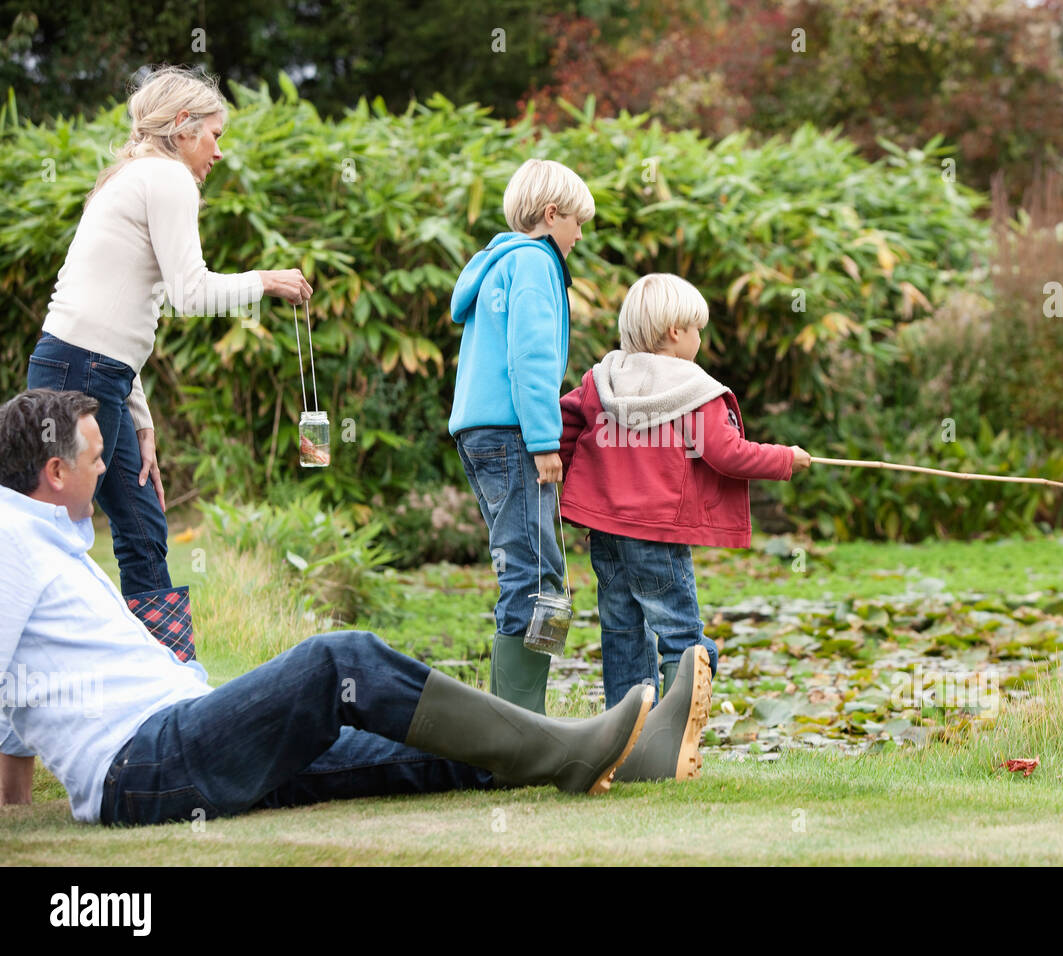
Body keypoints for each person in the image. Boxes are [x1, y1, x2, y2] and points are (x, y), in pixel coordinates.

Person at [0, 388, 676, 825]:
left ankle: (624, 753)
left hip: (175, 740)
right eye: (95, 456)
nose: (106, 466)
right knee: (338, 661)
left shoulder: (45, 542)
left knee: (395, 747)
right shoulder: (10, 541)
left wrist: (15, 793)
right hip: (145, 762)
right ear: (54, 472)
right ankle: (574, 749)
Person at [25, 65, 314, 662]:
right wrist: (268, 281)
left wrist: (143, 421)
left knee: (135, 526)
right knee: (68, 533)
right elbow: (190, 293)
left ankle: (162, 683)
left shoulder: (134, 178)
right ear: (182, 127)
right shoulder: (167, 179)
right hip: (79, 373)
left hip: (83, 371)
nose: (219, 150)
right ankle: (149, 685)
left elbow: (121, 318)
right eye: (213, 133)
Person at [558, 274, 812, 719]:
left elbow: (564, 428)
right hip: (658, 531)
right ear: (676, 332)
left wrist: (560, 473)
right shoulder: (691, 389)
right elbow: (727, 453)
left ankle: (624, 732)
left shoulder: (603, 380)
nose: (700, 338)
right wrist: (785, 459)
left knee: (621, 628)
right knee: (679, 631)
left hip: (605, 532)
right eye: (697, 329)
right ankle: (675, 732)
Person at [446, 158, 593, 715]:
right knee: (535, 574)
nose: (580, 235)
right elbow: (529, 359)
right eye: (578, 222)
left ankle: (519, 718)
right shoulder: (534, 263)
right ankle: (518, 726)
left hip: (482, 433)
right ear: (552, 215)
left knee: (529, 565)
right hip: (513, 435)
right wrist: (543, 441)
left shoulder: (497, 263)